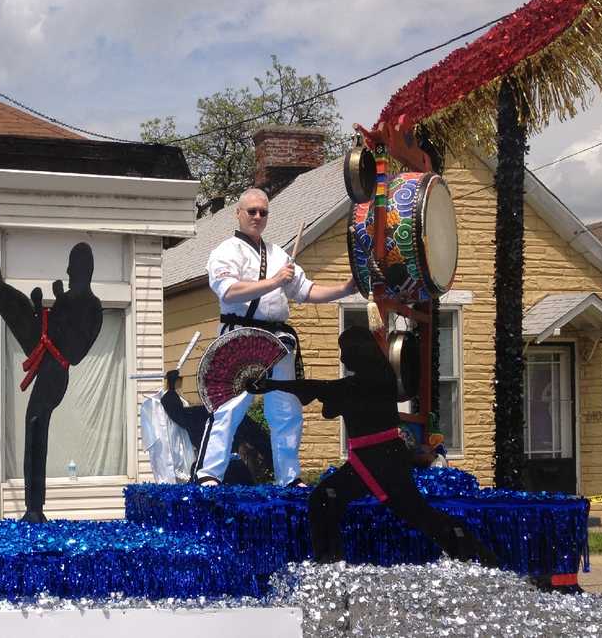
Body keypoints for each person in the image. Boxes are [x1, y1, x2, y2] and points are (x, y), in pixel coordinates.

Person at [248, 326, 496, 566]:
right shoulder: (377, 378)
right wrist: (279, 387)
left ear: (358, 351)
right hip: (370, 460)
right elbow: (326, 397)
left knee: (418, 515)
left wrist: (272, 385)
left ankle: (473, 552)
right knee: (325, 499)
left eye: (344, 350)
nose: (343, 357)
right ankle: (329, 561)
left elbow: (320, 390)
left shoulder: (375, 381)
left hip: (383, 461)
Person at [197, 187, 355, 487]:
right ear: (239, 214)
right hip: (241, 336)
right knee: (229, 407)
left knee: (286, 410)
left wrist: (345, 289)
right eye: (252, 211)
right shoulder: (226, 251)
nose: (257, 216)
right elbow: (228, 290)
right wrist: (273, 282)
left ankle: (289, 477)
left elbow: (306, 291)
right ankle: (209, 475)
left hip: (277, 341)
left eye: (263, 212)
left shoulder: (277, 254)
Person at [0, 243, 103, 523]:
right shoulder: (85, 304)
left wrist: (59, 303)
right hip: (51, 365)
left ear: (82, 268)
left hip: (53, 371)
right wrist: (50, 305)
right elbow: (59, 331)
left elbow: (73, 346)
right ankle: (34, 506)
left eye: (72, 265)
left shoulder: (84, 304)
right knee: (35, 429)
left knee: (35, 431)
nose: (68, 270)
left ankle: (34, 507)